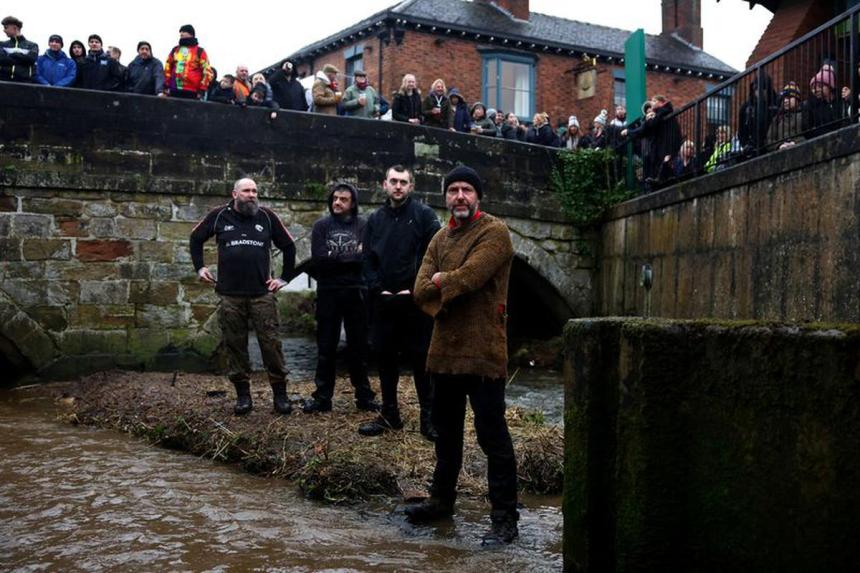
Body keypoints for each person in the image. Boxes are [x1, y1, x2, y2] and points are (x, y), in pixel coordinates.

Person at [407, 165, 519, 547]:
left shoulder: (494, 232)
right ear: (445, 196)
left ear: (478, 196)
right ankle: (441, 502)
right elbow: (420, 289)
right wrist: (438, 288)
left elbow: (472, 276)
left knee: (494, 438)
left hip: (484, 352)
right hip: (443, 354)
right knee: (446, 436)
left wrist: (442, 281)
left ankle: (505, 519)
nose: (459, 196)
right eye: (453, 189)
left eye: (466, 190)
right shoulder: (439, 237)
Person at [189, 178, 296, 416]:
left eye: (255, 191)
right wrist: (199, 267)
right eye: (247, 191)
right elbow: (195, 238)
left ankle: (280, 396)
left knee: (271, 345)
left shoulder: (267, 216)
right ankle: (243, 397)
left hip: (262, 295)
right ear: (234, 194)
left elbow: (289, 246)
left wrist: (284, 278)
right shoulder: (219, 216)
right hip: (230, 295)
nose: (252, 195)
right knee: (235, 346)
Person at [358, 165, 440, 440]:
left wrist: (414, 289)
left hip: (415, 302)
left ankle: (428, 419)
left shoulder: (424, 216)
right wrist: (376, 288)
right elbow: (367, 259)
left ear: (411, 186)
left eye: (403, 182)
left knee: (421, 360)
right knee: (385, 358)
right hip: (383, 301)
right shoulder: (375, 219)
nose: (398, 186)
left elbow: (434, 257)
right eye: (393, 181)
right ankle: (390, 414)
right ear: (385, 184)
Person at [302, 183, 380, 415]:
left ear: (352, 203)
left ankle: (364, 396)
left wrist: (335, 256)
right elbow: (318, 259)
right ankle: (322, 398)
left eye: (343, 199)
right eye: (335, 198)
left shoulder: (364, 225)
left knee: (359, 346)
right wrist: (350, 256)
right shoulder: (321, 226)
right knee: (326, 346)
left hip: (356, 292)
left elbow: (366, 258)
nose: (337, 203)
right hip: (328, 292)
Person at [164, 25, 212, 100]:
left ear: (191, 34)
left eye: (184, 31)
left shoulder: (200, 51)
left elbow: (207, 71)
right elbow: (168, 67)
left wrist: (202, 89)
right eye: (180, 32)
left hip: (192, 91)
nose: (181, 34)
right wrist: (166, 85)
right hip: (174, 88)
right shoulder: (175, 49)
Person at [804, 64, 847, 139]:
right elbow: (808, 130)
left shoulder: (841, 100)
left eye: (820, 86)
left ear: (830, 86)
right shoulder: (812, 104)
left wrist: (850, 97)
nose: (816, 90)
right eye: (813, 88)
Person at [738, 74, 776, 155]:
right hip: (751, 148)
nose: (759, 92)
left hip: (769, 146)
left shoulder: (775, 103)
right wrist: (745, 145)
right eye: (756, 89)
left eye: (763, 89)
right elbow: (741, 131)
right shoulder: (746, 107)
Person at [767, 81, 805, 150]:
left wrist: (796, 143)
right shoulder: (777, 118)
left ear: (797, 99)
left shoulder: (804, 115)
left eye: (789, 98)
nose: (785, 101)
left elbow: (809, 135)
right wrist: (779, 145)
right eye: (784, 98)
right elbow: (769, 140)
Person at [0, 16, 37, 83]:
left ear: (15, 28)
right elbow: (2, 59)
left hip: (24, 84)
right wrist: (22, 59)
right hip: (3, 83)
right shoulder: (2, 44)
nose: (4, 30)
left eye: (6, 27)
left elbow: (31, 60)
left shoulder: (32, 45)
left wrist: (12, 55)